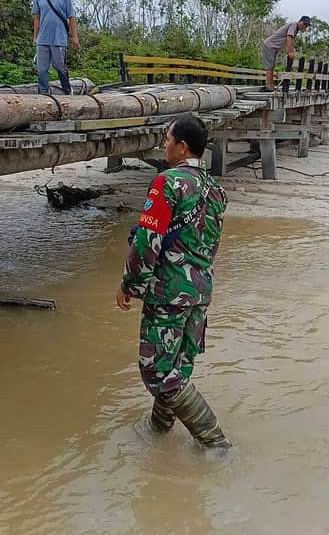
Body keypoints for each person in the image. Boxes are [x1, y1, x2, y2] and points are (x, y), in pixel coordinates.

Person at [116, 114, 231, 449]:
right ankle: (158, 430)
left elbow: (147, 240)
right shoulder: (216, 189)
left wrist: (129, 285)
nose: (164, 145)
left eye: (167, 139)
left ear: (182, 146)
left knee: (156, 372)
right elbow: (210, 244)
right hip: (200, 290)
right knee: (179, 366)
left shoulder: (168, 182)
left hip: (169, 290)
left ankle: (214, 441)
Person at [32, 0, 80, 96]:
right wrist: (35, 36)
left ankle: (67, 90)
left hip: (58, 39)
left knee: (60, 67)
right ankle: (43, 93)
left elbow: (71, 18)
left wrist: (75, 37)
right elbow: (37, 18)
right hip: (43, 39)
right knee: (41, 69)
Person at [261, 16, 311, 91]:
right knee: (269, 66)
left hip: (273, 48)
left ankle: (271, 85)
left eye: (306, 26)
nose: (305, 27)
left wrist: (292, 51)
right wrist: (289, 52)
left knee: (272, 66)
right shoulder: (294, 25)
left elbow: (291, 41)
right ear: (300, 21)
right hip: (269, 45)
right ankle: (268, 85)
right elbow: (289, 38)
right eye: (304, 24)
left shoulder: (296, 30)